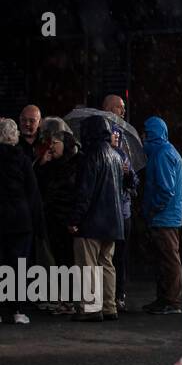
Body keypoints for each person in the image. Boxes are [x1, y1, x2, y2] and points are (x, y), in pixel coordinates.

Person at [67, 115, 124, 322]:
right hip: (112, 222)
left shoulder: (89, 156)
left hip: (91, 222)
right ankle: (109, 306)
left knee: (88, 266)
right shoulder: (116, 156)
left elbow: (85, 193)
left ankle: (91, 308)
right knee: (107, 264)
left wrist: (74, 219)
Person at [1, 118, 44, 325]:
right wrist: (38, 225)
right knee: (18, 266)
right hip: (20, 220)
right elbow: (33, 194)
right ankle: (17, 309)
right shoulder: (23, 159)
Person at [141, 116, 182, 315]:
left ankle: (171, 300)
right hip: (167, 215)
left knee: (168, 259)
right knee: (166, 258)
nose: (143, 136)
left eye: (145, 132)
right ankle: (165, 299)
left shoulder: (161, 154)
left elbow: (165, 190)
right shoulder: (166, 151)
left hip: (163, 216)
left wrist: (152, 208)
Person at [36, 118, 79, 312]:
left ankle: (69, 300)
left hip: (66, 221)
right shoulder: (52, 163)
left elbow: (66, 192)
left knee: (67, 261)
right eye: (51, 142)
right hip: (54, 220)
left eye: (56, 143)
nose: (51, 146)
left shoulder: (74, 164)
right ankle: (63, 299)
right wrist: (42, 165)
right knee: (59, 260)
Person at [102, 95, 138, 313]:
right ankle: (108, 297)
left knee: (119, 257)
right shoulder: (98, 149)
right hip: (107, 212)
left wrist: (127, 176)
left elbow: (133, 182)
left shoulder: (124, 152)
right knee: (106, 257)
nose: (123, 112)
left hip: (122, 211)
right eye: (119, 108)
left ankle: (118, 295)